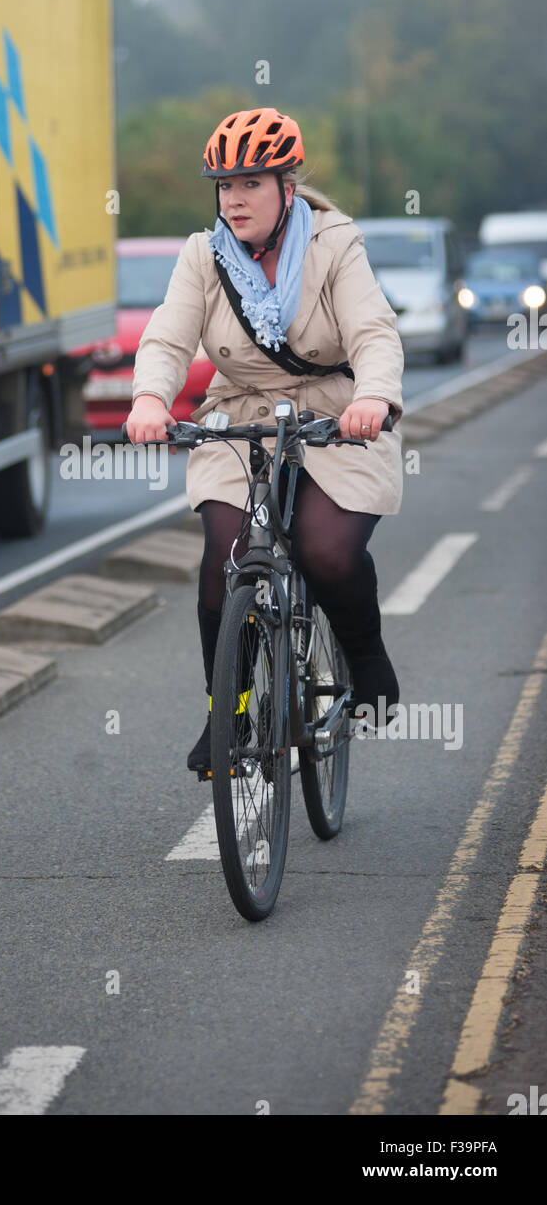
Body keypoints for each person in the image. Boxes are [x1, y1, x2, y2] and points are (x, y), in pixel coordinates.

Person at [126, 107, 404, 773]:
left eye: (250, 183)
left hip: (338, 414)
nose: (234, 198)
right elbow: (167, 337)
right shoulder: (202, 255)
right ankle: (229, 710)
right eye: (224, 185)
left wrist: (372, 397)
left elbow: (371, 332)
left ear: (287, 184)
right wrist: (148, 398)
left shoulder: (335, 245)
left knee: (326, 552)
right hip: (239, 414)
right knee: (225, 559)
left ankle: (365, 659)